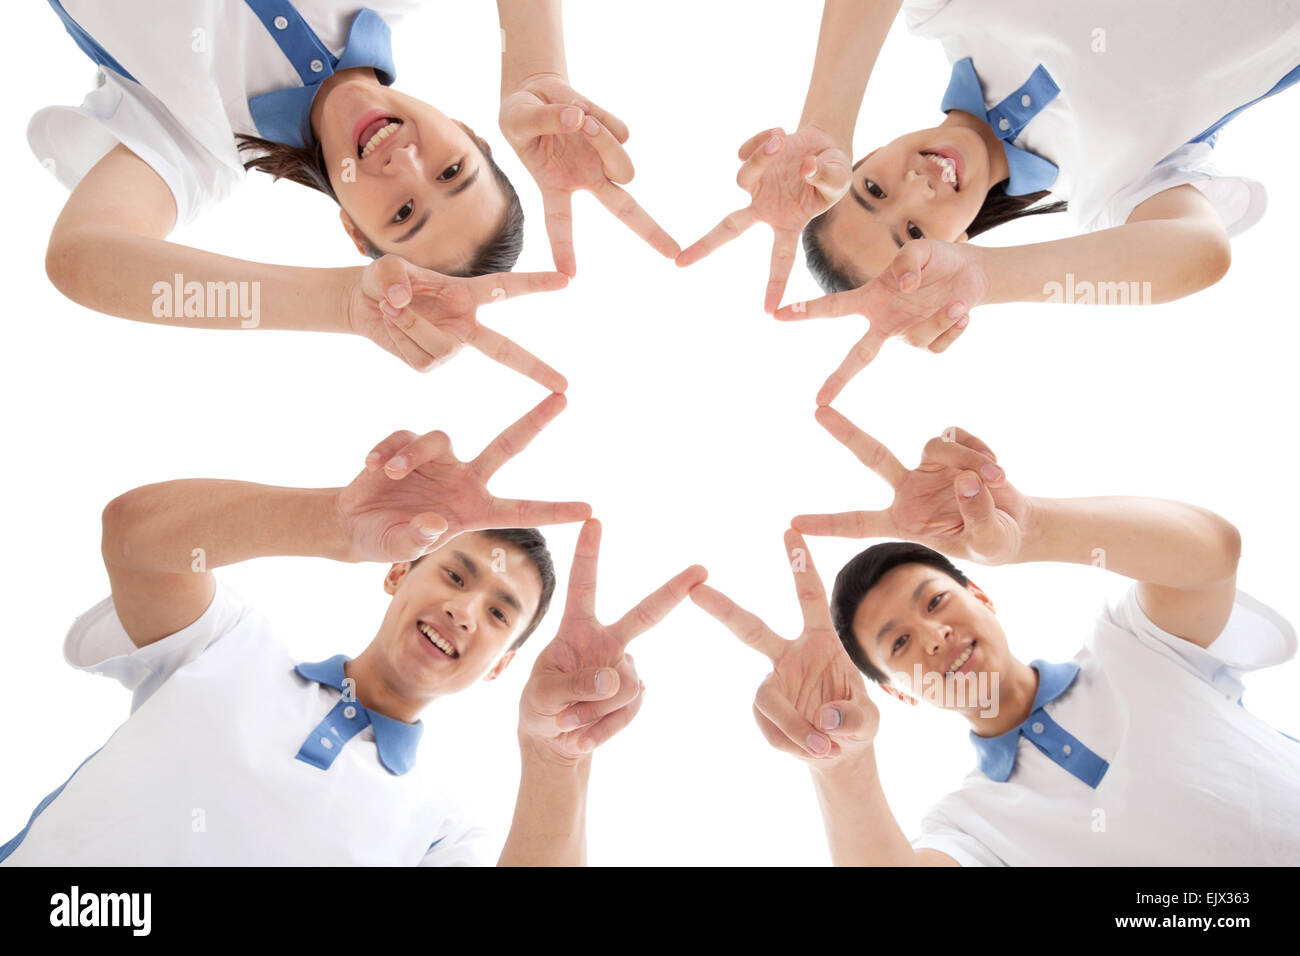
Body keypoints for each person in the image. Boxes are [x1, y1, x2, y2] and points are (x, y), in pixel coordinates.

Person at [0, 394, 706, 865]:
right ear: (399, 572)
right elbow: (135, 540)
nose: (465, 610)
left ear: (500, 666)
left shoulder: (443, 826)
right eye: (456, 576)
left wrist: (555, 754)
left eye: (497, 614)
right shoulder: (228, 646)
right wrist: (332, 521)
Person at [689, 406, 1300, 865]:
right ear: (899, 694)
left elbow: (1213, 554)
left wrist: (1032, 527)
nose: (931, 635)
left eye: (935, 601)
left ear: (981, 596)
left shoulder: (1129, 644)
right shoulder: (970, 824)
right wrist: (841, 764)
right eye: (898, 645)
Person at [677, 0, 1300, 403]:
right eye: (915, 234)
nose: (917, 186)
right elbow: (1200, 253)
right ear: (957, 249)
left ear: (862, 157)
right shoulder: (1110, 186)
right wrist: (982, 281)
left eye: (873, 188)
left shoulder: (945, 14)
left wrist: (824, 127)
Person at [34, 0, 676, 382]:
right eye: (453, 172)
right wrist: (536, 69)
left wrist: (341, 304)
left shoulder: (194, 142)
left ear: (351, 228)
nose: (408, 165)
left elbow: (83, 258)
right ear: (470, 133)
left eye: (403, 214)